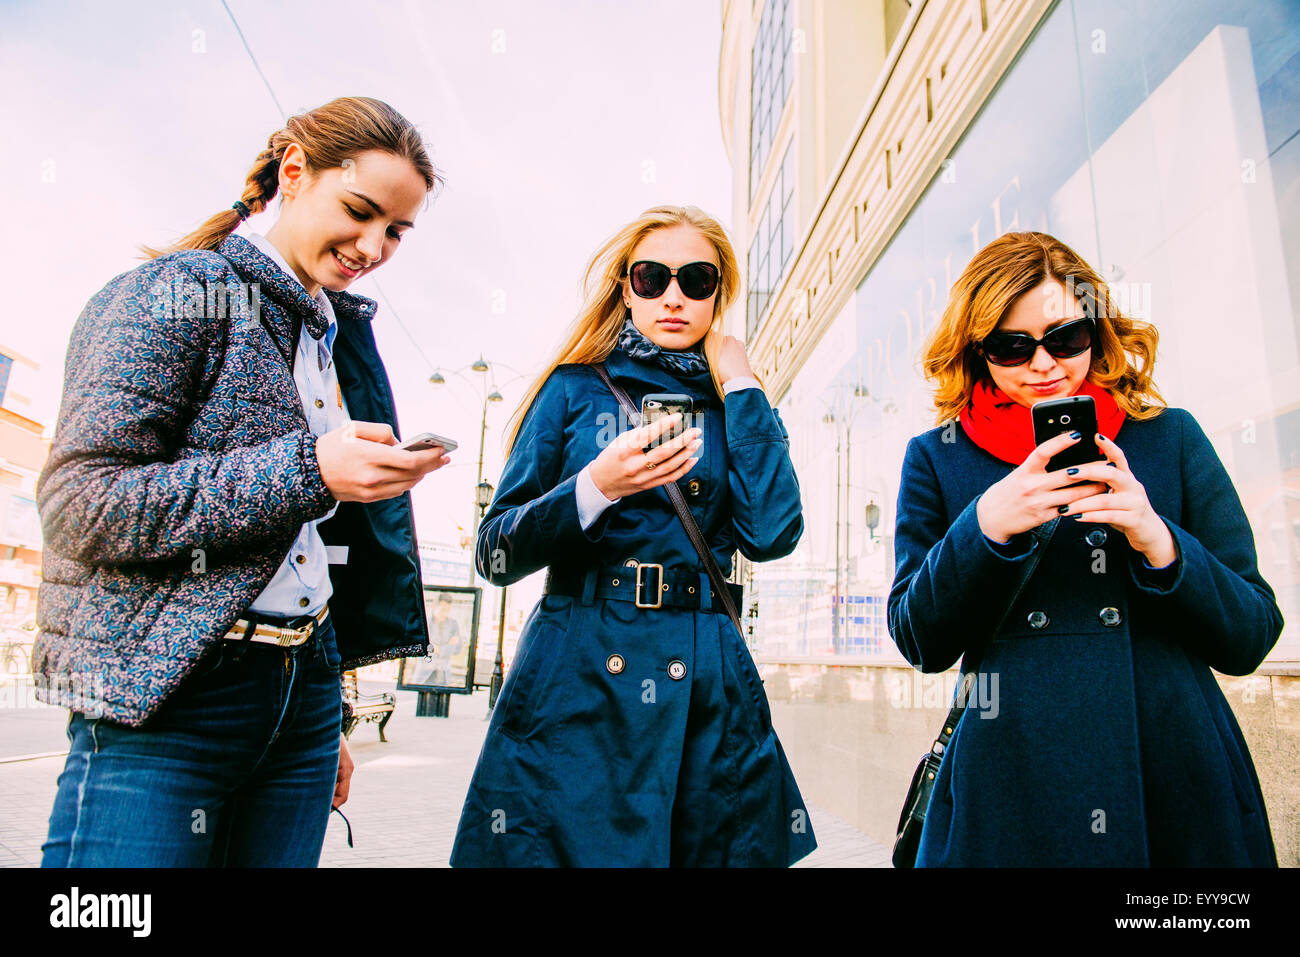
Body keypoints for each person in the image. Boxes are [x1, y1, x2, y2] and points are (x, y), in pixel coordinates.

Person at [36, 96, 449, 867]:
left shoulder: (332, 337)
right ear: (294, 170)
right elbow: (78, 506)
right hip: (167, 703)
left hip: (299, 701)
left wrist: (328, 711)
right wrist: (311, 468)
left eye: (395, 229)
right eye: (359, 211)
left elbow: (304, 555)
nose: (373, 245)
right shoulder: (178, 288)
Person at [888, 230, 1283, 866]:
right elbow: (919, 640)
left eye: (1065, 337)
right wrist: (985, 525)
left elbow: (1252, 635)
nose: (1044, 365)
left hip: (1171, 778)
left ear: (1095, 332)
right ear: (977, 351)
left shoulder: (1169, 437)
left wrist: (1159, 540)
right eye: (1012, 347)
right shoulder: (938, 457)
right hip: (1008, 789)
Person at [450, 205, 817, 867]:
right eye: (651, 278)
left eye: (696, 280)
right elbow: (496, 550)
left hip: (705, 676)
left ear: (718, 294)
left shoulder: (735, 400)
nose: (673, 296)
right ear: (626, 288)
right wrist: (597, 484)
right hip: (584, 671)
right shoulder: (572, 388)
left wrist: (743, 385)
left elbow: (772, 533)